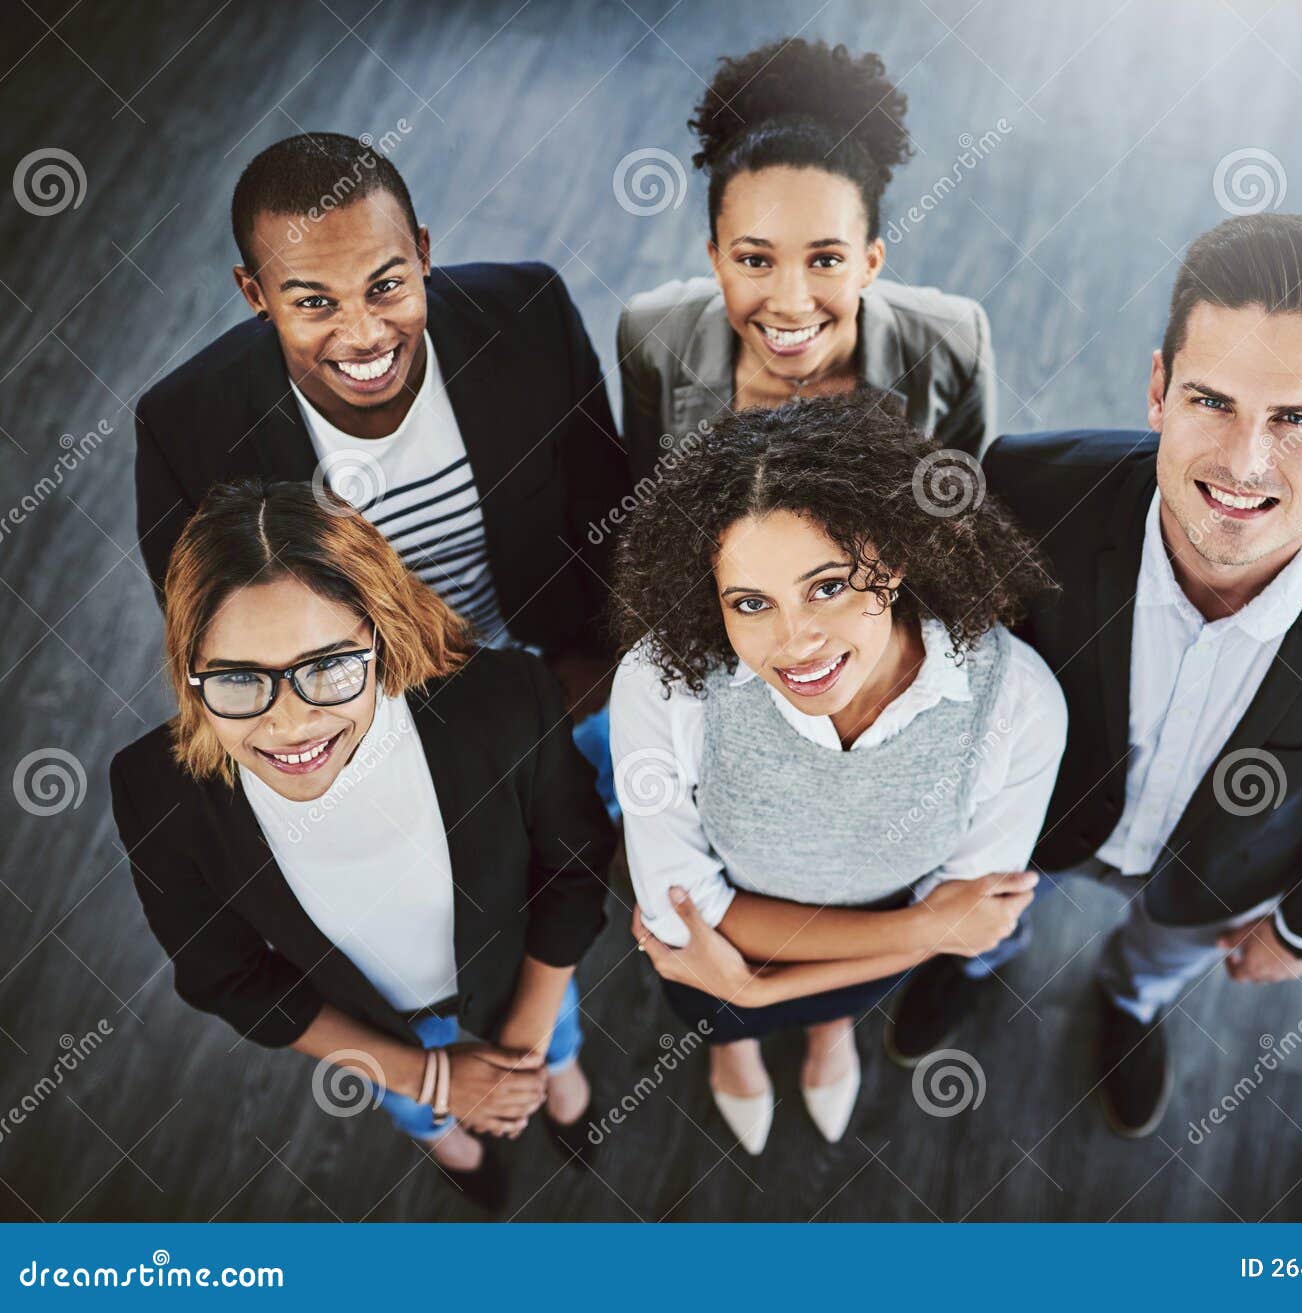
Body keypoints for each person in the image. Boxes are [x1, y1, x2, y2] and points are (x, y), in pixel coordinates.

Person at [887, 214, 1302, 1139]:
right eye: (1213, 401)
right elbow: (946, 670)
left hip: (1221, 870)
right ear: (1159, 390)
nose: (1246, 464)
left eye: (1296, 418)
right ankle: (970, 962)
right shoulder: (1024, 491)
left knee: (1155, 959)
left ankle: (1131, 1002)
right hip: (1036, 820)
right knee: (985, 918)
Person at [110, 479, 616, 1210]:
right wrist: (431, 1081)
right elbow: (230, 976)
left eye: (328, 667)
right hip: (374, 1032)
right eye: (240, 679)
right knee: (420, 1113)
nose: (291, 726)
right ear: (192, 676)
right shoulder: (158, 794)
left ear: (381, 632)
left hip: (522, 973)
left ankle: (561, 1086)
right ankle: (454, 1140)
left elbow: (573, 867)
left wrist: (526, 1051)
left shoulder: (505, 699)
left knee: (561, 1039)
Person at [609, 393, 1065, 1153]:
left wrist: (764, 983)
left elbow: (967, 915)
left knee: (822, 999)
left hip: (852, 953)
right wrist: (916, 928)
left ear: (891, 556)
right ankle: (733, 1039)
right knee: (715, 1007)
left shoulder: (1017, 704)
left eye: (828, 586)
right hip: (781, 949)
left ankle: (827, 1032)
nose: (797, 643)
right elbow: (678, 916)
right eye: (751, 603)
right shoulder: (660, 685)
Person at [132, 132, 629, 786]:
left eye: (385, 286)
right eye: (314, 302)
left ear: (423, 252)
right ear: (255, 295)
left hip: (556, 679)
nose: (364, 335)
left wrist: (601, 663)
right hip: (355, 732)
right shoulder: (187, 426)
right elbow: (221, 643)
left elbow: (615, 520)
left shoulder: (529, 318)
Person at [617, 37, 996, 484]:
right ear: (716, 260)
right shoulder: (653, 341)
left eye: (827, 259)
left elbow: (961, 520)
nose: (792, 304)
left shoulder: (952, 345)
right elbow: (646, 512)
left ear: (870, 262)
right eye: (756, 261)